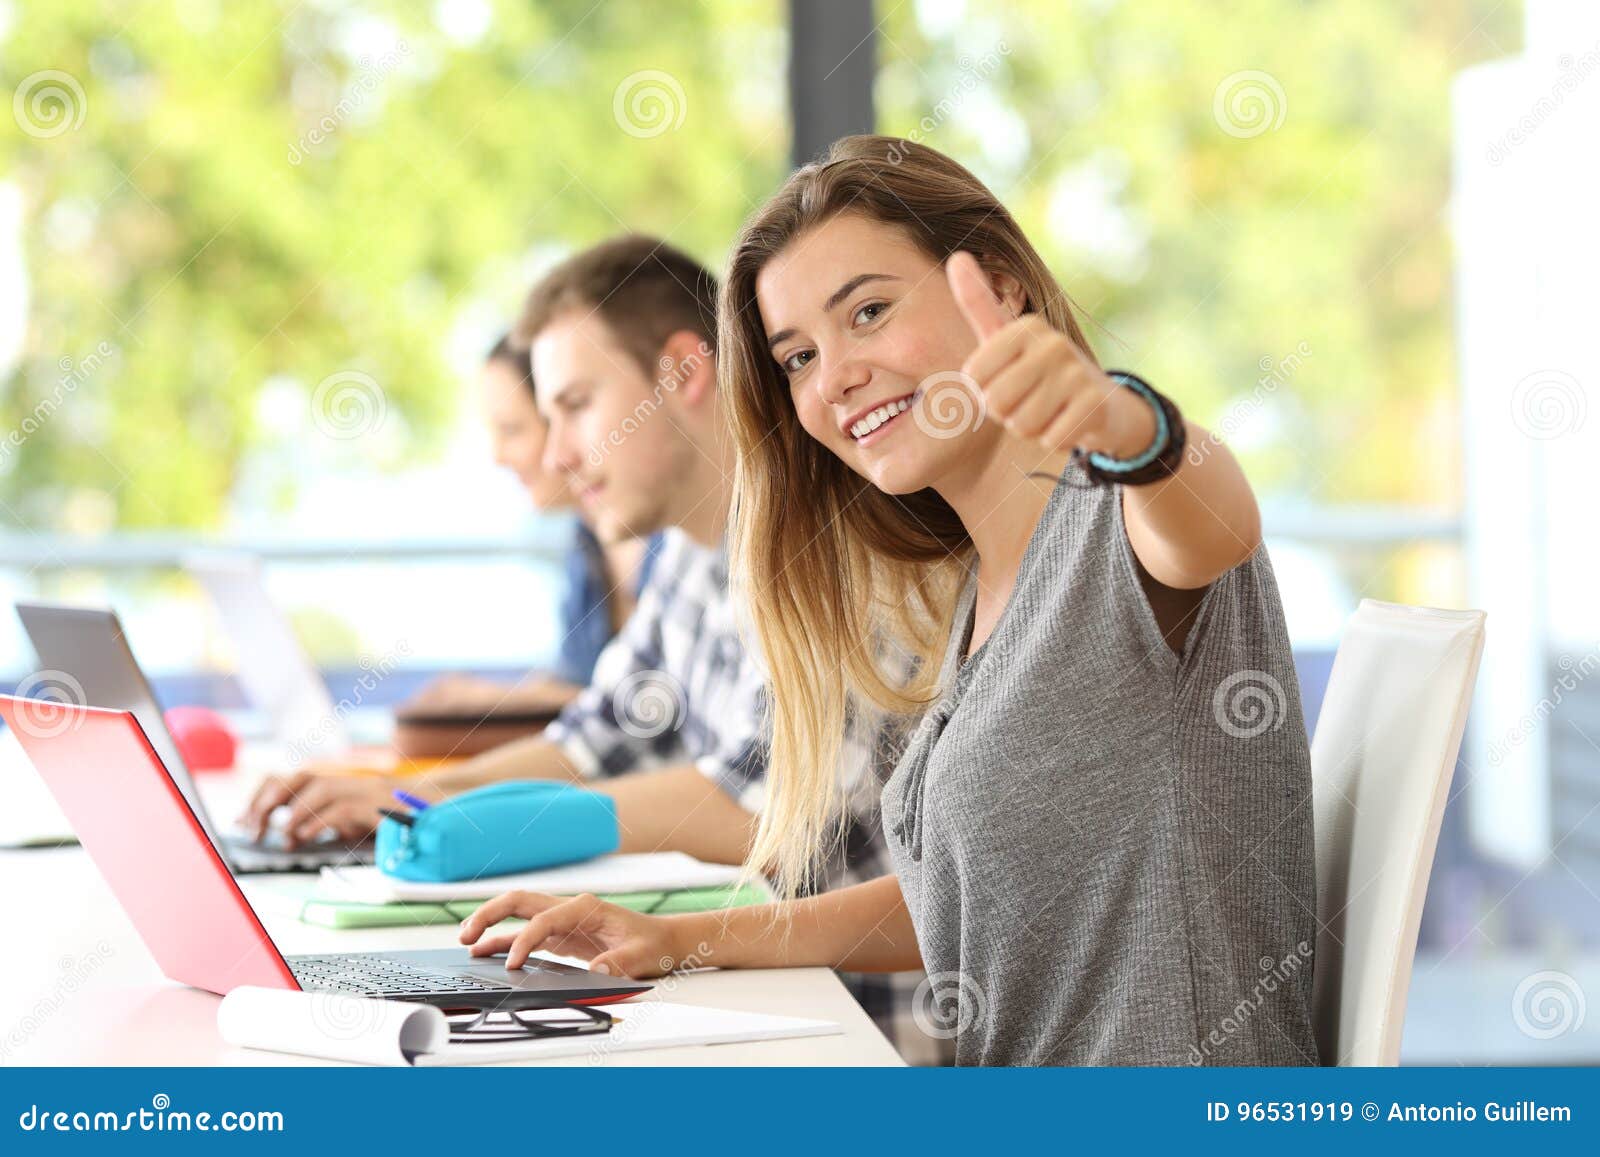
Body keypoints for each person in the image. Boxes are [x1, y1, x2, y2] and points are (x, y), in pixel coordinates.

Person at [455, 137, 1319, 1067]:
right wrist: (680, 939)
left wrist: (1126, 420)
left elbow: (1214, 518)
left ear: (999, 286)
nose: (833, 377)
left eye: (868, 312)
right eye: (798, 357)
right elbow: (954, 902)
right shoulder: (975, 589)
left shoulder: (1118, 517)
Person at [241, 235, 948, 1065]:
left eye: (575, 405)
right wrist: (413, 799)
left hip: (865, 1039)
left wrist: (501, 824)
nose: (556, 456)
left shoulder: (837, 546)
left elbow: (761, 808)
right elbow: (597, 737)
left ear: (682, 373)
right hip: (774, 1001)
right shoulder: (687, 549)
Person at [398, 334, 660, 729]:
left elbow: (663, 704)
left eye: (512, 430)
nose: (498, 457)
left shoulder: (682, 542)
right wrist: (495, 699)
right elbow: (584, 689)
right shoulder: (585, 546)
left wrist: (501, 700)